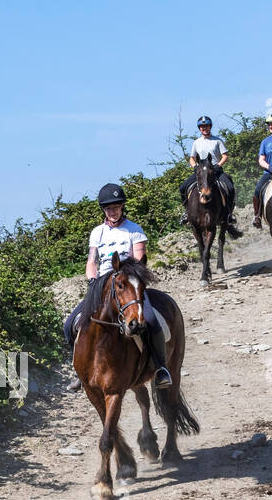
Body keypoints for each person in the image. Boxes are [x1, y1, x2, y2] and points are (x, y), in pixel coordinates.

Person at [64, 183, 171, 391]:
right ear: (104, 210)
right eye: (108, 208)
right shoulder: (98, 233)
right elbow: (92, 261)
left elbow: (139, 260)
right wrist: (92, 279)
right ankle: (79, 370)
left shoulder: (134, 230)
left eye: (116, 207)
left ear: (122, 207)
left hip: (128, 283)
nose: (112, 211)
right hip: (102, 286)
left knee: (151, 321)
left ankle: (161, 368)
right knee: (70, 324)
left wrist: (125, 275)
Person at [180, 115, 240, 232]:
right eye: (202, 127)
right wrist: (195, 166)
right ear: (199, 128)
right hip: (201, 173)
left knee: (230, 187)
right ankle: (187, 212)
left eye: (206, 126)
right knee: (183, 187)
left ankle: (229, 214)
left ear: (210, 127)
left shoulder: (217, 141)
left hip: (215, 171)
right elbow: (192, 158)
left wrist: (218, 165)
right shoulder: (196, 142)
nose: (204, 128)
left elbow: (225, 155)